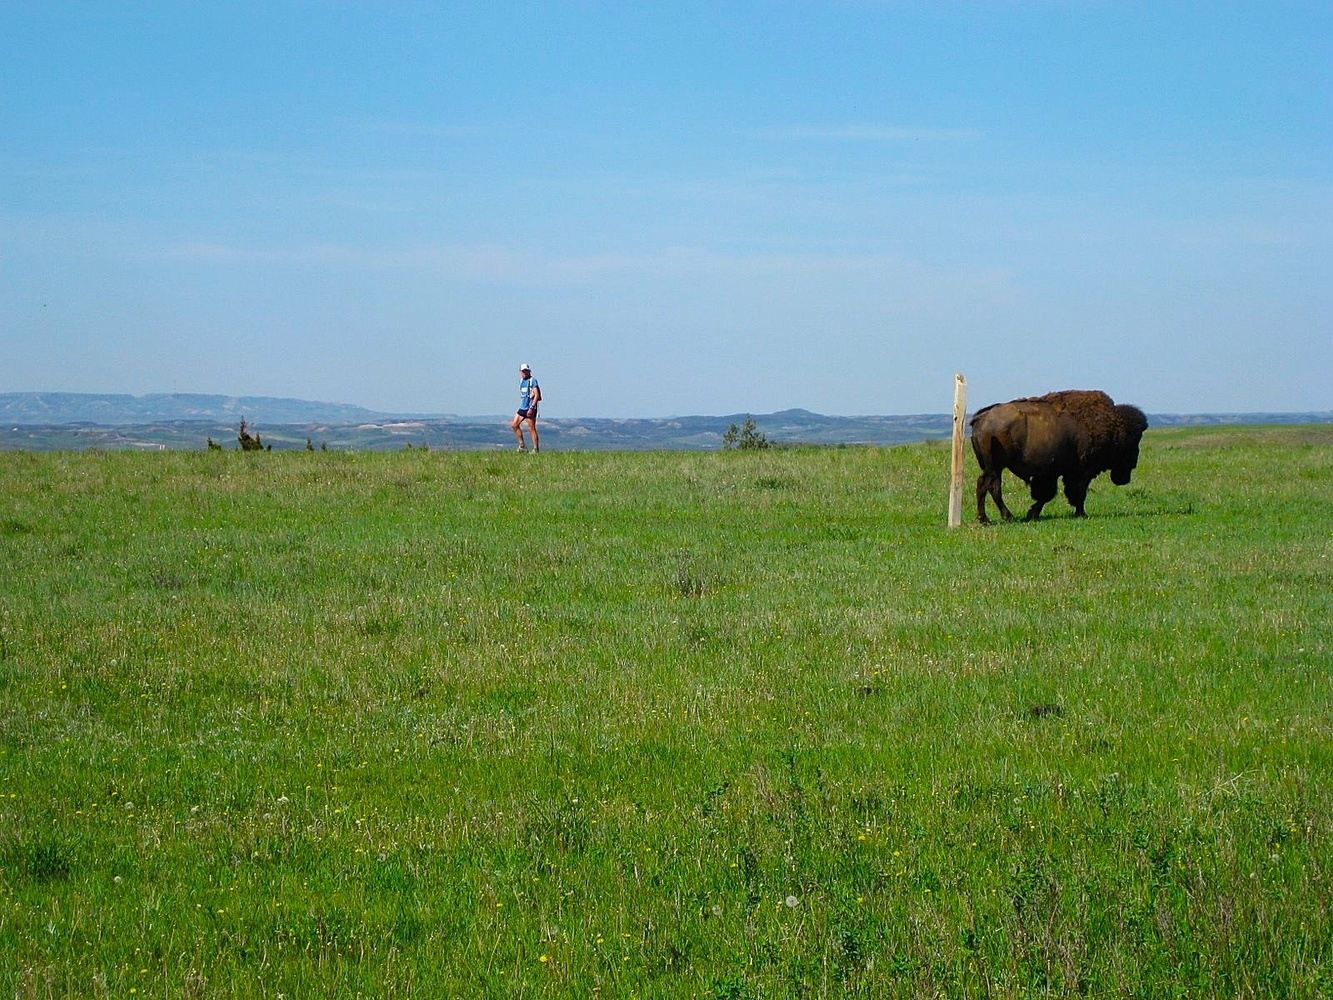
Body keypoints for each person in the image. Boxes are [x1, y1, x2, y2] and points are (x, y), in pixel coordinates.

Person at [510, 363, 541, 452]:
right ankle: (522, 445)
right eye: (523, 371)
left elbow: (537, 395)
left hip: (530, 407)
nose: (524, 373)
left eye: (526, 371)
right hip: (523, 407)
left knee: (531, 428)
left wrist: (532, 407)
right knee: (514, 425)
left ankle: (536, 449)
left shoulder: (532, 381)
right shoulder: (521, 381)